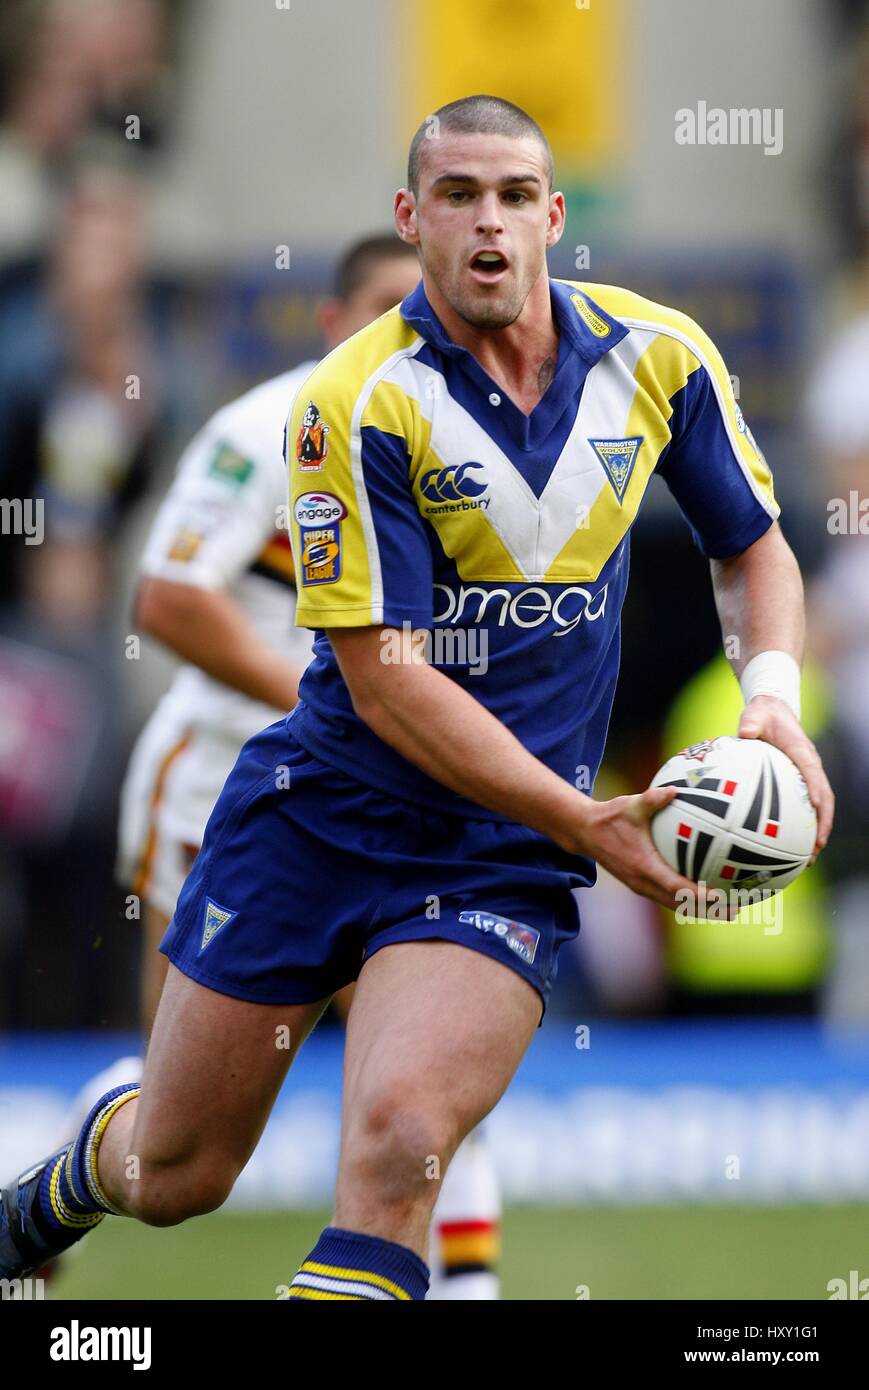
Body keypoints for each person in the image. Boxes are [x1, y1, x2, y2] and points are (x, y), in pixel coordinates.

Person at [1, 94, 834, 1303]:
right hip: (320, 812)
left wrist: (768, 702)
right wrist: (580, 814)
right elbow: (385, 680)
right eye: (456, 197)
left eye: (510, 196)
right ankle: (50, 1198)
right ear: (412, 218)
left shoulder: (660, 358)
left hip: (495, 853)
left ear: (551, 217)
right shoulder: (349, 400)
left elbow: (751, 543)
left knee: (399, 1143)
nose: (486, 222)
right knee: (177, 1172)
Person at [60, 232, 503, 1299]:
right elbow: (165, 596)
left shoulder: (456, 446)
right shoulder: (264, 428)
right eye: (389, 304)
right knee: (182, 1122)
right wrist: (340, 703)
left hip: (383, 795)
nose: (414, 326)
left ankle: (471, 1289)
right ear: (332, 322)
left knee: (422, 1080)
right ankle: (59, 1176)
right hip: (218, 781)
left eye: (426, 306)